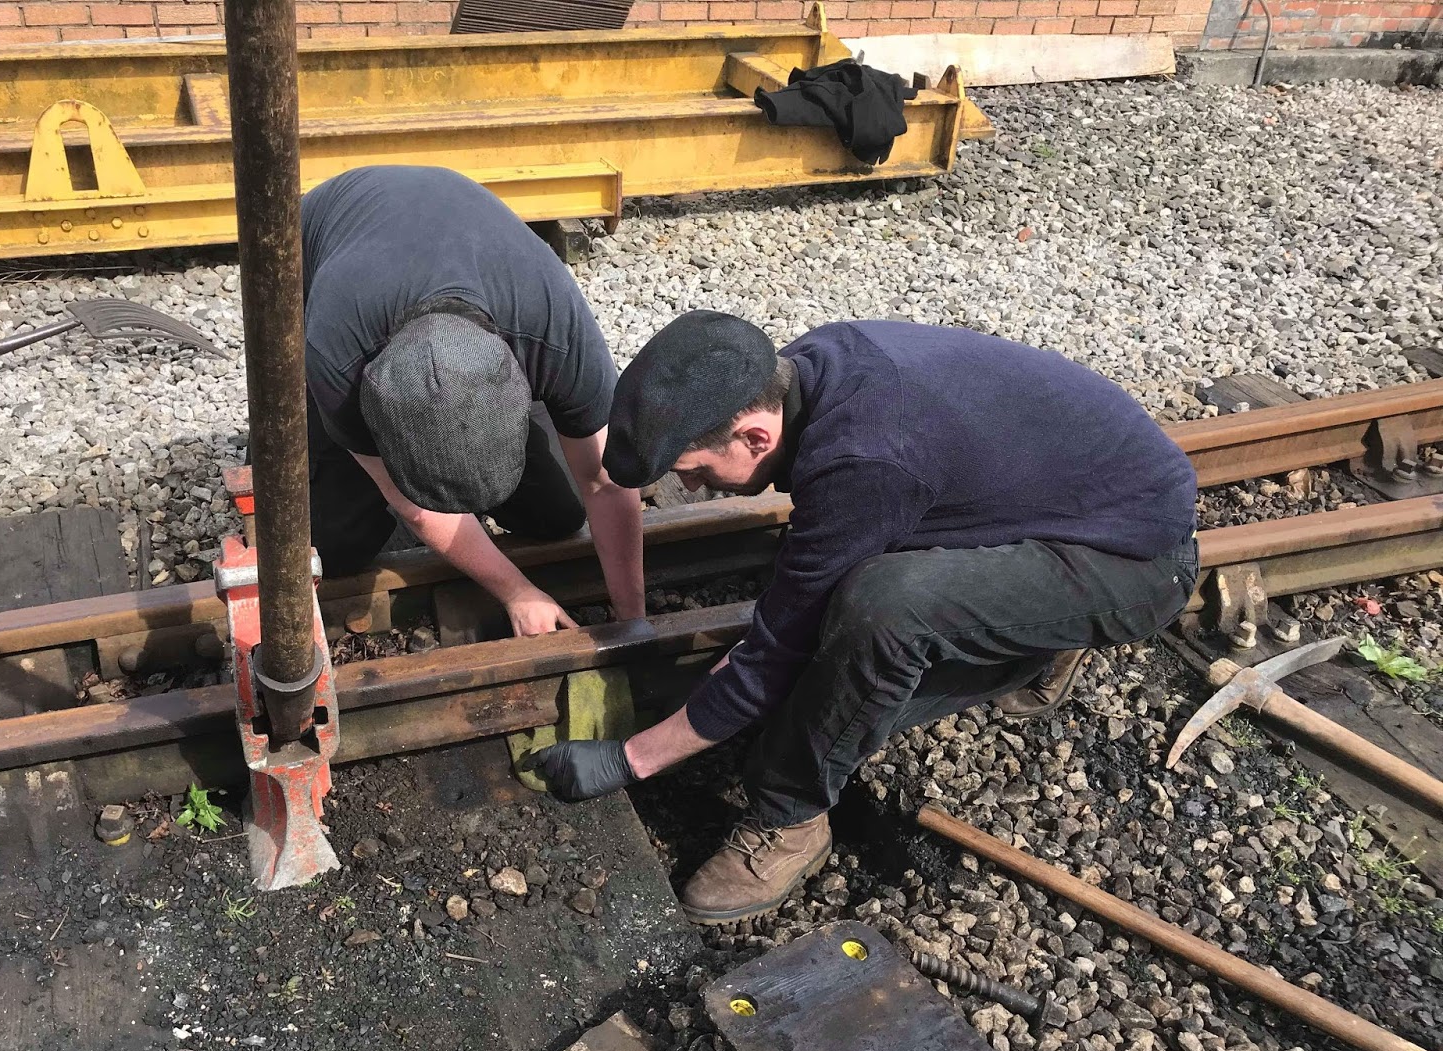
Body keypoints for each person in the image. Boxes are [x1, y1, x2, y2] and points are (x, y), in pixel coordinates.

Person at [529, 313, 1199, 925]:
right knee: (828, 598)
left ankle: (791, 818)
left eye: (693, 472)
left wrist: (629, 760)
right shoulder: (813, 370)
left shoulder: (868, 456)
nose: (694, 490)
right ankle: (1025, 625)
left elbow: (771, 660)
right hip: (1068, 508)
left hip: (1132, 562)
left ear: (754, 433)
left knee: (883, 612)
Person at [299, 166, 644, 634]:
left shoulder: (555, 332)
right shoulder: (337, 352)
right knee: (335, 548)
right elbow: (414, 507)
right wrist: (516, 591)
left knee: (558, 515)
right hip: (328, 241)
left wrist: (633, 622)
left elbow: (604, 482)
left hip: (461, 245)